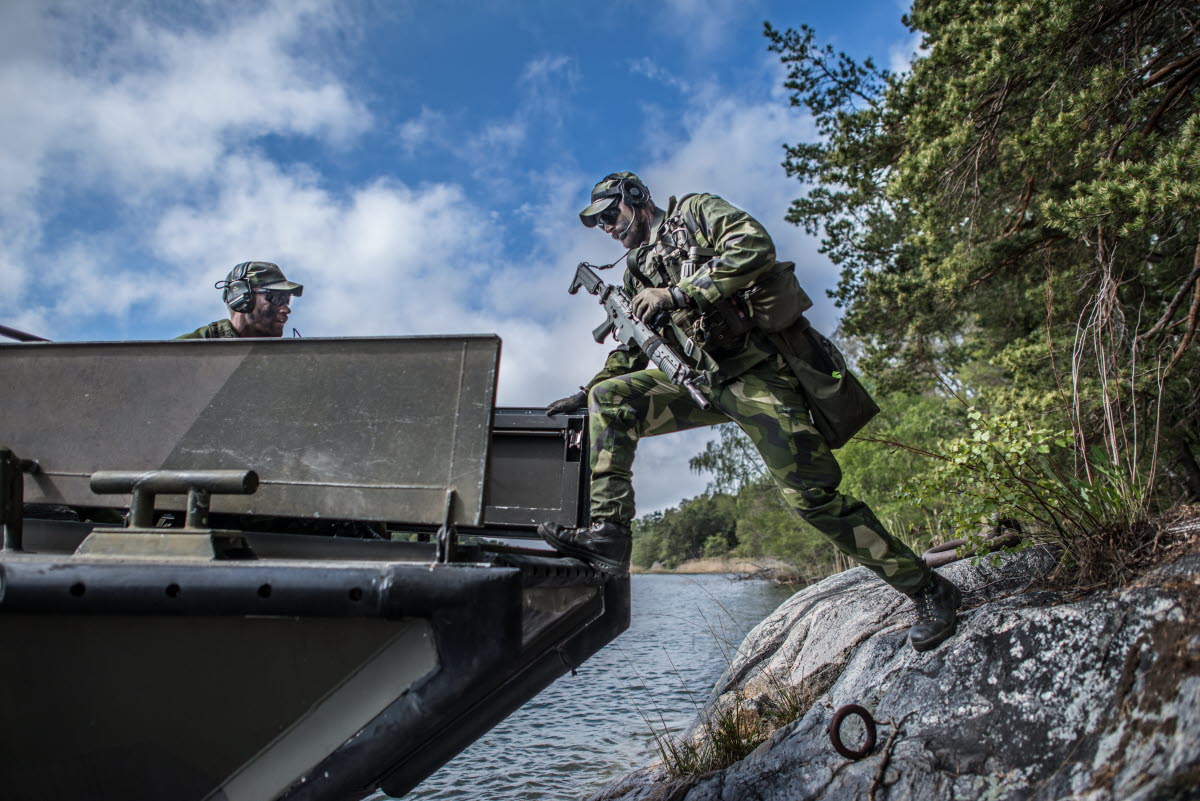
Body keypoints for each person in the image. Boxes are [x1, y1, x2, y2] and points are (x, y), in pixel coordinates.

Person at [540, 172, 962, 652]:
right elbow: (638, 348)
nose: (608, 229)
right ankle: (610, 534)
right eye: (599, 225)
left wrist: (678, 294)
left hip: (754, 373)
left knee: (812, 498)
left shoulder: (695, 213)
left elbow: (754, 245)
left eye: (610, 215)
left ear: (636, 200)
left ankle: (929, 590)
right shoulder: (637, 272)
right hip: (697, 381)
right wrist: (588, 389)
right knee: (611, 399)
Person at [177, 261, 303, 339]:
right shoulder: (185, 353)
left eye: (287, 299)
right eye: (277, 298)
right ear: (241, 297)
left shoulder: (286, 360)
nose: (286, 309)